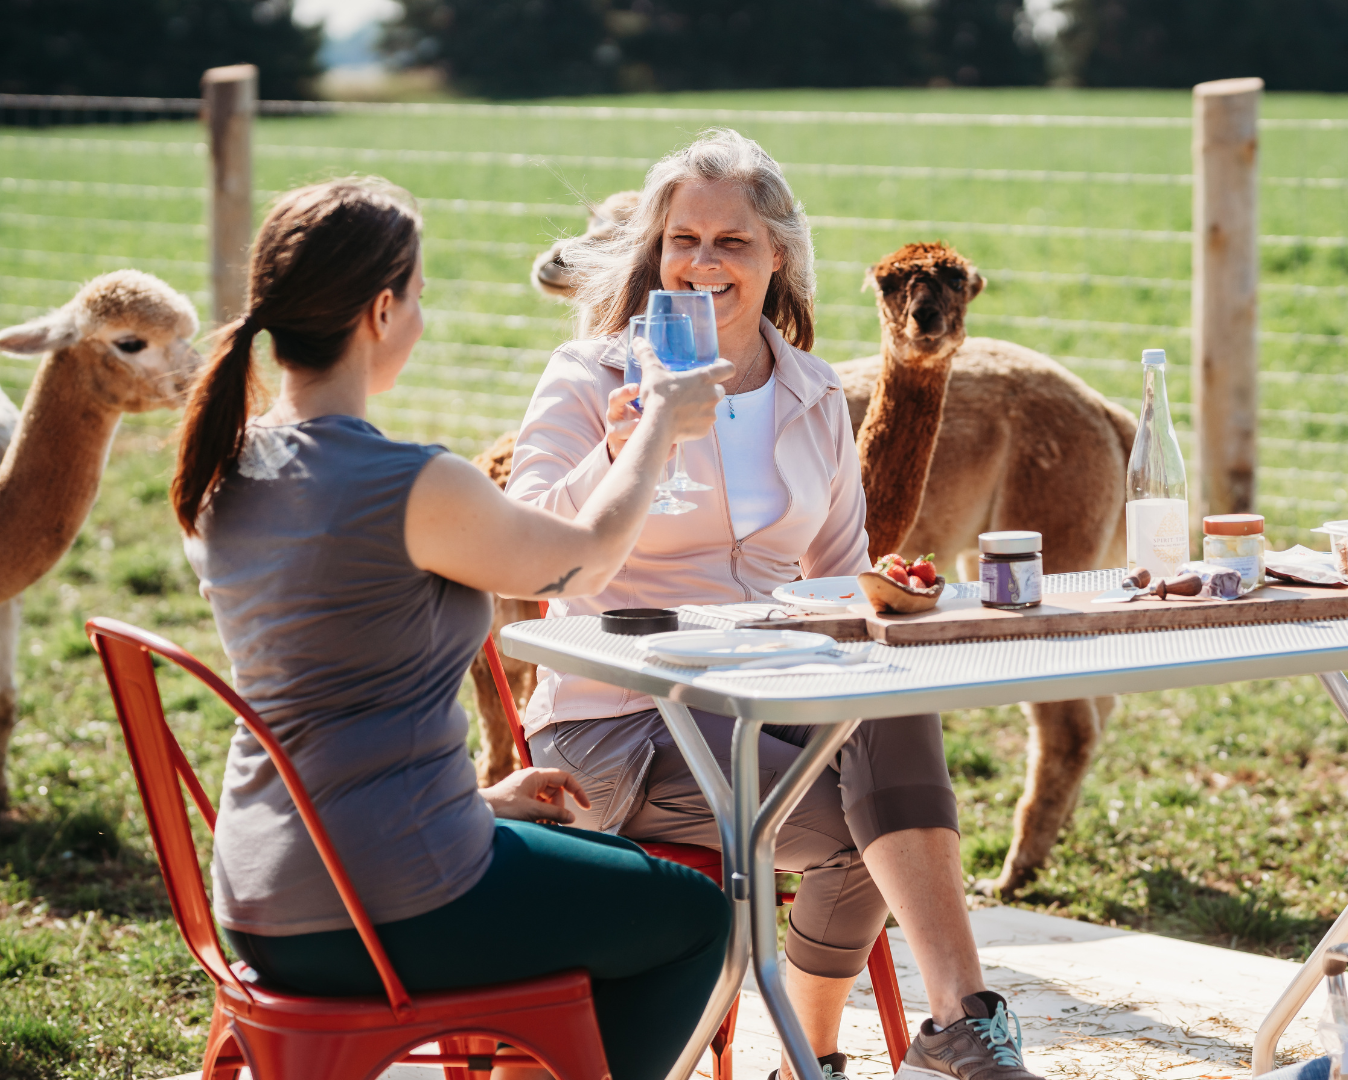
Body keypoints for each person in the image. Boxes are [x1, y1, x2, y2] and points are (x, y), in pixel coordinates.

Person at [173, 178, 736, 1080]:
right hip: (392, 905)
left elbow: (332, 691)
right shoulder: (409, 483)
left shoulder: (229, 468)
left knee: (598, 872)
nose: (424, 316)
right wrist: (663, 421)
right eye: (422, 296)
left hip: (257, 893)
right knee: (696, 915)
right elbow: (585, 562)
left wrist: (475, 804)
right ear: (384, 310)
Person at [509, 128, 1042, 1080]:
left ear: (779, 257)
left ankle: (946, 1022)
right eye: (684, 240)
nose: (703, 263)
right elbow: (537, 560)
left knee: (888, 693)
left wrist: (880, 622)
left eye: (732, 243)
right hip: (622, 717)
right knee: (876, 834)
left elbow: (842, 581)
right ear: (655, 251)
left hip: (769, 694)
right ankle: (831, 1055)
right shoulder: (594, 377)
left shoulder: (811, 392)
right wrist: (626, 452)